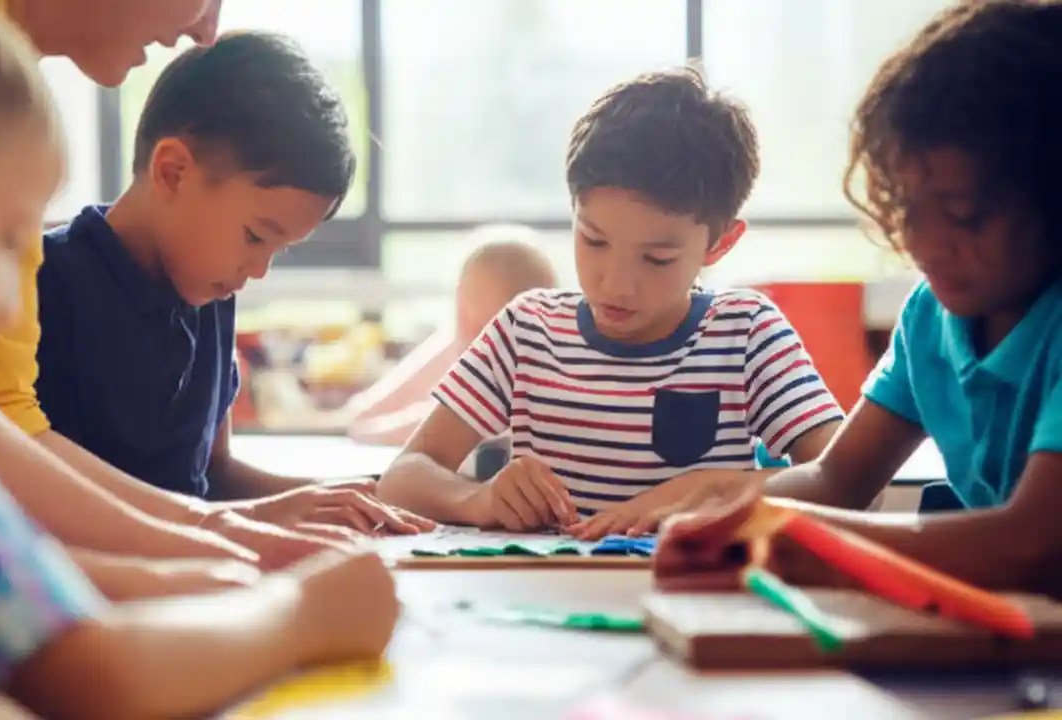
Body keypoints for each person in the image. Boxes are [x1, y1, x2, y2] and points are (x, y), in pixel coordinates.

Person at [0, 2, 398, 716]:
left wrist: (218, 563)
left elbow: (9, 570)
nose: (11, 300)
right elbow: (93, 674)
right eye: (5, 238)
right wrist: (300, 615)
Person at [654, 0, 1062, 599]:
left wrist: (799, 538)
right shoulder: (931, 316)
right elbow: (835, 476)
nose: (922, 242)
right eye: (906, 208)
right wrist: (722, 506)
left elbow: (1027, 544)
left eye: (962, 215)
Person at [378, 70, 844, 540]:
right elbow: (404, 476)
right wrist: (478, 498)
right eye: (594, 240)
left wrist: (716, 489)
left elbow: (847, 481)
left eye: (657, 259)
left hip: (696, 599)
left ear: (720, 244)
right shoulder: (527, 331)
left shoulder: (746, 335)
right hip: (543, 597)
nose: (617, 285)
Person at [35, 32, 431, 535]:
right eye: (255, 236)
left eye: (278, 249)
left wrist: (352, 497)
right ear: (173, 172)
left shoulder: (209, 293)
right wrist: (244, 519)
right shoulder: (48, 283)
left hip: (202, 561)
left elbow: (211, 475)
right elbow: (44, 493)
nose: (259, 270)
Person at [347, 225, 557, 447]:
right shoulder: (475, 347)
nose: (463, 314)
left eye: (471, 300)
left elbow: (372, 429)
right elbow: (362, 413)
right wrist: (456, 341)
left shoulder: (515, 388)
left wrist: (467, 339)